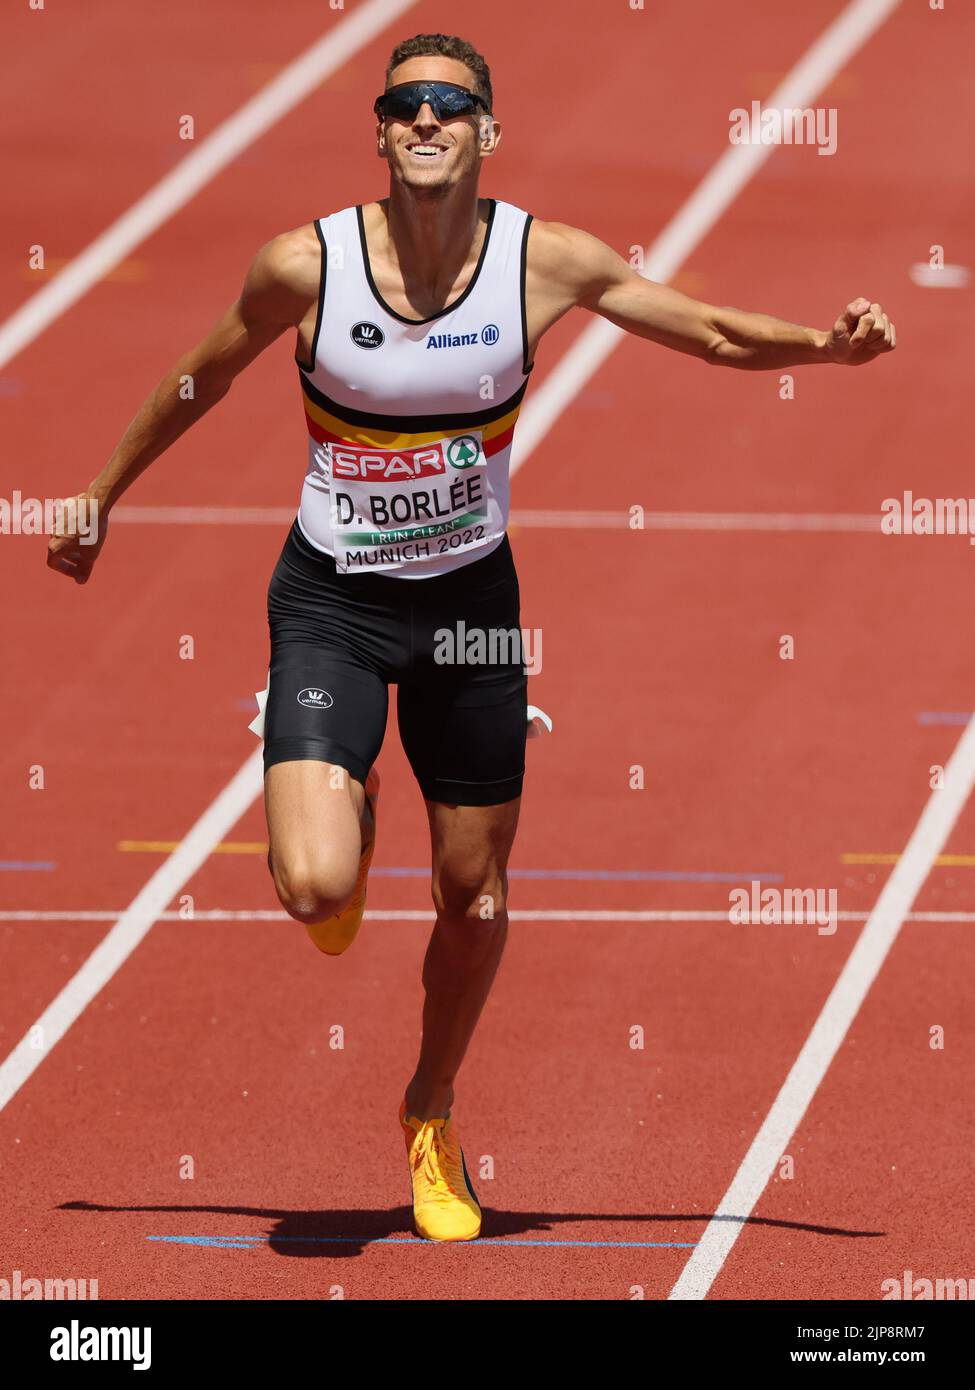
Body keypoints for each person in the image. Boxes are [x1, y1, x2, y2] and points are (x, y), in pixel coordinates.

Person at [48, 32, 896, 1242]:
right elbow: (204, 374)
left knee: (475, 892)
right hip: (332, 600)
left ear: (489, 131)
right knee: (317, 885)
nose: (428, 121)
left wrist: (827, 344)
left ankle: (431, 1108)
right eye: (406, 106)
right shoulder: (308, 265)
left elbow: (704, 329)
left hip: (471, 612)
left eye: (452, 105)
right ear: (382, 129)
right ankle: (349, 800)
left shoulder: (544, 263)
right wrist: (101, 492)